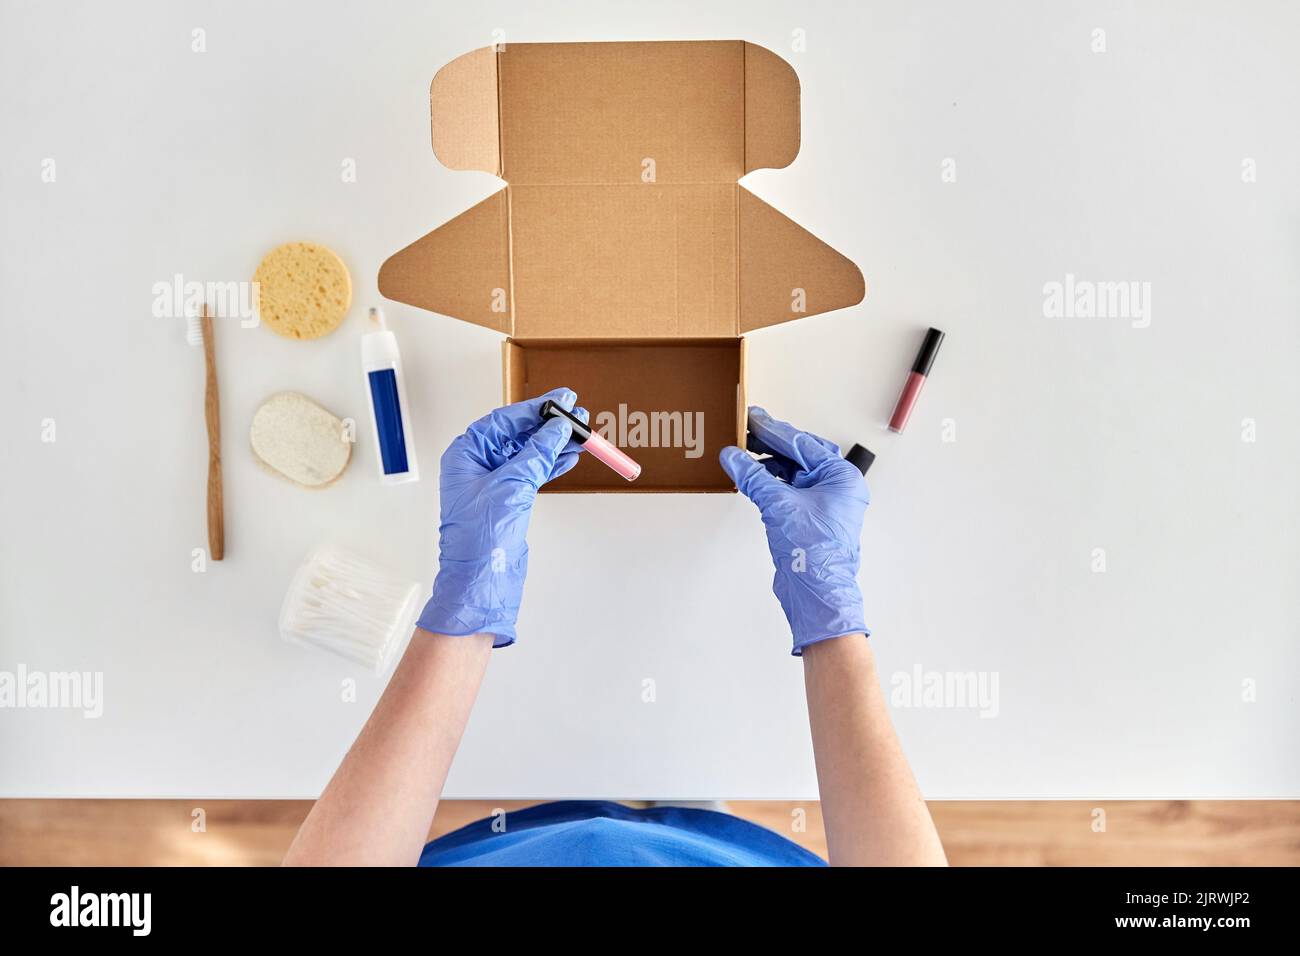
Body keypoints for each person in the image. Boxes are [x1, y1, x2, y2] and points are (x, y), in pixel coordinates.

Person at [283, 388, 946, 867]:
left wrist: (463, 607)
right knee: (697, 800)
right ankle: (692, 814)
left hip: (518, 841)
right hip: (722, 851)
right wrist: (831, 614)